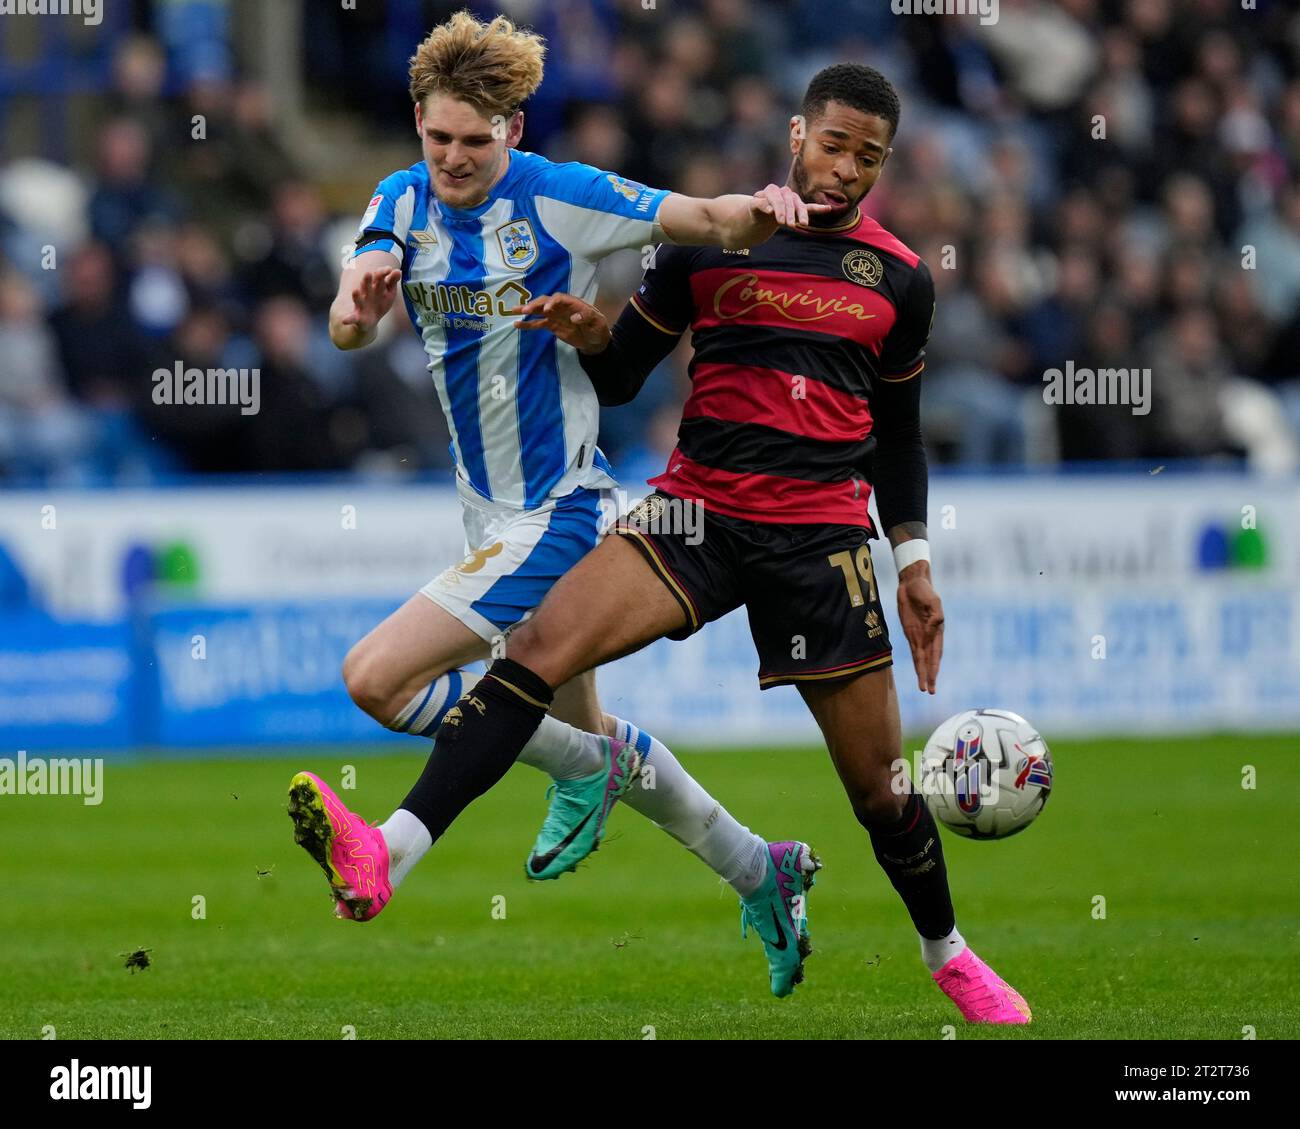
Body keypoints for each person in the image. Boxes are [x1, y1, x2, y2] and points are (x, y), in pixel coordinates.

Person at [410, 62, 1032, 1024]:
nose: (847, 170)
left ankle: (946, 949)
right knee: (534, 649)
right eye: (834, 145)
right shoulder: (716, 241)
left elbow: (899, 436)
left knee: (879, 788)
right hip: (692, 513)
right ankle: (395, 844)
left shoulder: (901, 279)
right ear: (796, 134)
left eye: (869, 156)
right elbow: (621, 378)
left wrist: (912, 561)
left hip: (821, 539)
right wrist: (585, 332)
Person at [287, 11, 830, 997]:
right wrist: (351, 311)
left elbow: (701, 220)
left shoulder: (561, 198)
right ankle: (764, 868)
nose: (452, 158)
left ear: (516, 131)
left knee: (374, 679)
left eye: (474, 141)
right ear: (417, 123)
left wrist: (762, 207)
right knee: (596, 742)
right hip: (480, 515)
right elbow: (348, 320)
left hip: (561, 513)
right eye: (437, 137)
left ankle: (389, 852)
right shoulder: (398, 200)